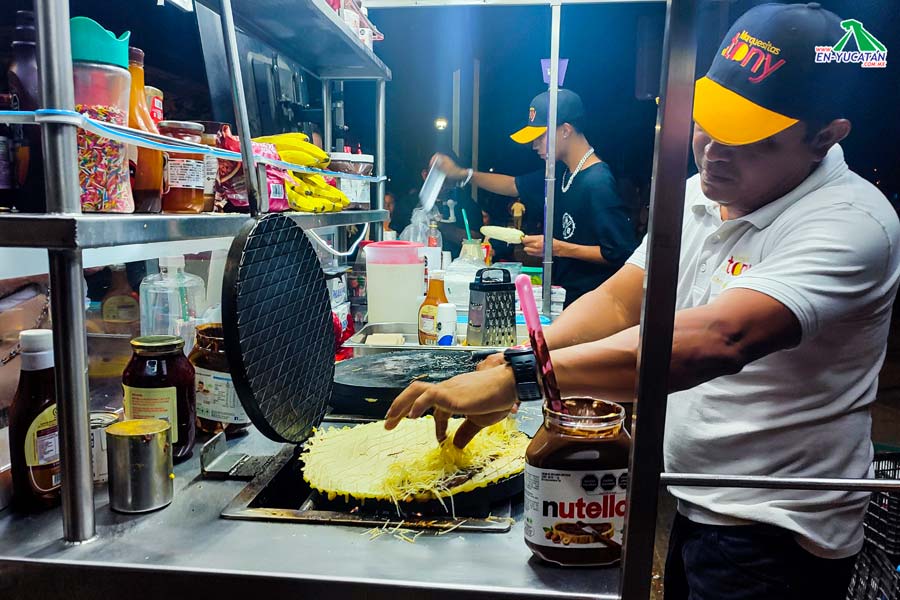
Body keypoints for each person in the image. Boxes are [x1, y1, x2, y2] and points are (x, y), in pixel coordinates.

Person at [385, 4, 898, 598]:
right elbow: (622, 302)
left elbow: (714, 342)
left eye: (749, 138)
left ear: (826, 137)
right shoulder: (699, 195)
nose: (712, 151)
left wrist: (525, 380)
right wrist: (516, 358)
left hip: (777, 527)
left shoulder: (851, 222)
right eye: (708, 124)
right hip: (695, 498)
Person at [433, 89, 638, 306]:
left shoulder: (597, 182)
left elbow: (620, 252)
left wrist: (556, 248)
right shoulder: (561, 173)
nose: (534, 145)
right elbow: (513, 184)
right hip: (565, 297)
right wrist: (462, 174)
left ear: (566, 130)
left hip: (590, 304)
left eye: (540, 137)